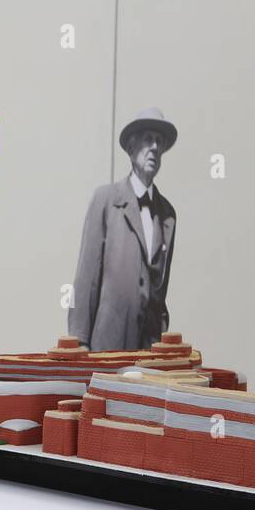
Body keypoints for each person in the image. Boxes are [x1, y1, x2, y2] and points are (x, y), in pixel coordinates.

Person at [67, 107, 178, 352]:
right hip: (106, 345)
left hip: (149, 351)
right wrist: (79, 341)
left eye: (159, 141)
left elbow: (161, 289)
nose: (155, 147)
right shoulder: (106, 199)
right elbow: (86, 277)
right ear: (130, 148)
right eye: (148, 139)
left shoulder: (168, 214)